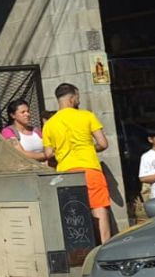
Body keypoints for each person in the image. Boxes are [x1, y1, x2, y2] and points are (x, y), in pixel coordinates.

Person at [41, 83, 114, 244]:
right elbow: (103, 143)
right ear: (72, 97)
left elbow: (48, 153)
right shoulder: (87, 116)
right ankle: (105, 247)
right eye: (78, 97)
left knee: (73, 212)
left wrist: (62, 151)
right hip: (90, 169)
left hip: (65, 174)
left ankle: (80, 248)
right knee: (99, 208)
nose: (78, 101)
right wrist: (90, 148)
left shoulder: (49, 124)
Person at [0, 98, 48, 163]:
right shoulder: (8, 132)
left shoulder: (36, 130)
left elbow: (47, 146)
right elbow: (20, 153)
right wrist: (45, 155)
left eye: (28, 111)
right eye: (23, 112)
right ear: (13, 115)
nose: (27, 114)